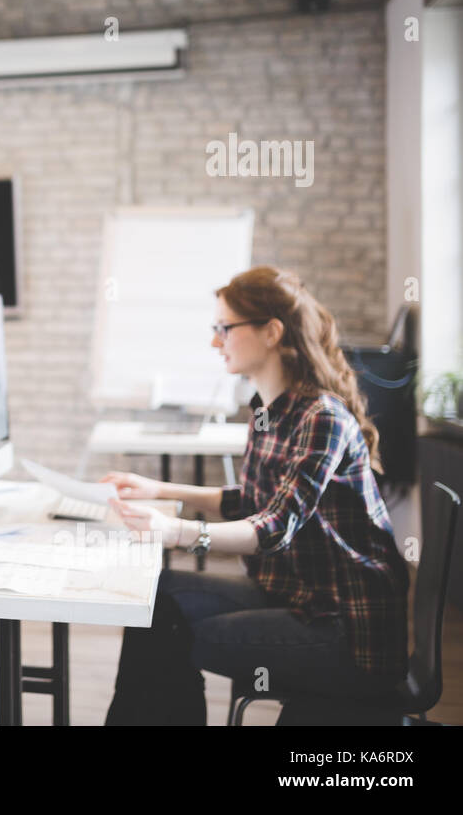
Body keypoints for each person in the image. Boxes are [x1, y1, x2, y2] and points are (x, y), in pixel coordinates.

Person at [101, 265, 410, 725]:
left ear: (271, 333)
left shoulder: (320, 418)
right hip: (297, 596)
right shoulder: (270, 410)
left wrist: (177, 531)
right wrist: (159, 489)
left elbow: (273, 526)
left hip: (346, 630)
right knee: (155, 597)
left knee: (169, 632)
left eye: (224, 328)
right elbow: (252, 498)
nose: (214, 341)